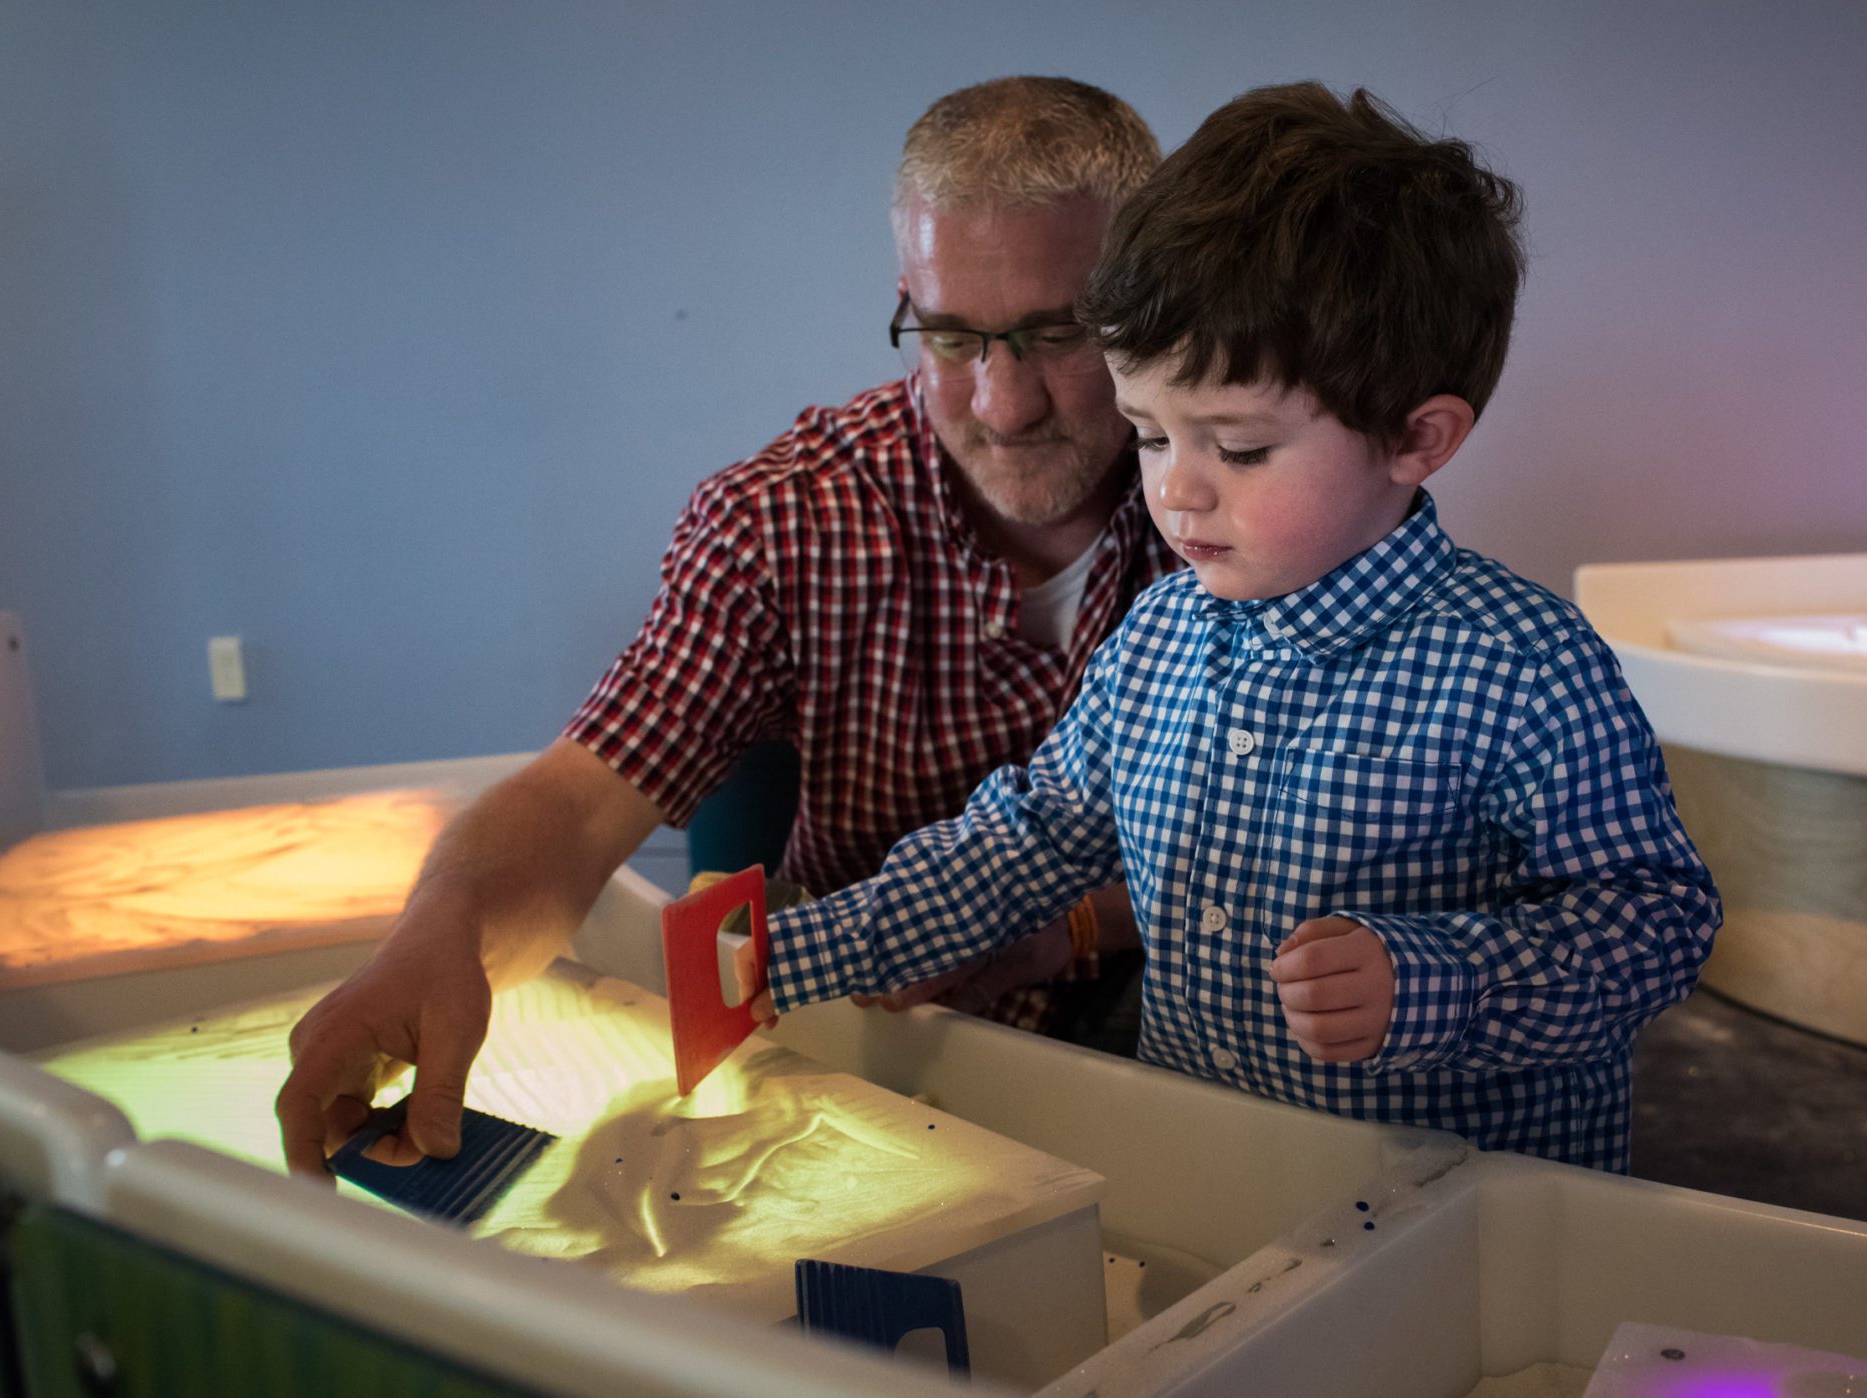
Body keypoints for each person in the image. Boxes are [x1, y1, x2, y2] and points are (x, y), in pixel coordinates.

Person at [745, 82, 1722, 1173]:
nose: (1179, 495)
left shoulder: (1520, 667)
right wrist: (802, 955)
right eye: (1151, 435)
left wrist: (1432, 981)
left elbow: (1655, 916)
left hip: (1462, 1214)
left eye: (1239, 449)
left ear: (1417, 437)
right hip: (1214, 1177)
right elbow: (1028, 834)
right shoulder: (1163, 634)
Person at [276, 76, 1178, 1178]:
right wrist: (443, 934)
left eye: (1056, 335)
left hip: (1160, 1054)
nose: (1002, 402)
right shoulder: (785, 517)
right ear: (907, 301)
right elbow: (578, 799)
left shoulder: (1245, 507)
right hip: (870, 1062)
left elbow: (1320, 855)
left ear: (1149, 305)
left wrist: (1072, 924)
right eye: (949, 338)